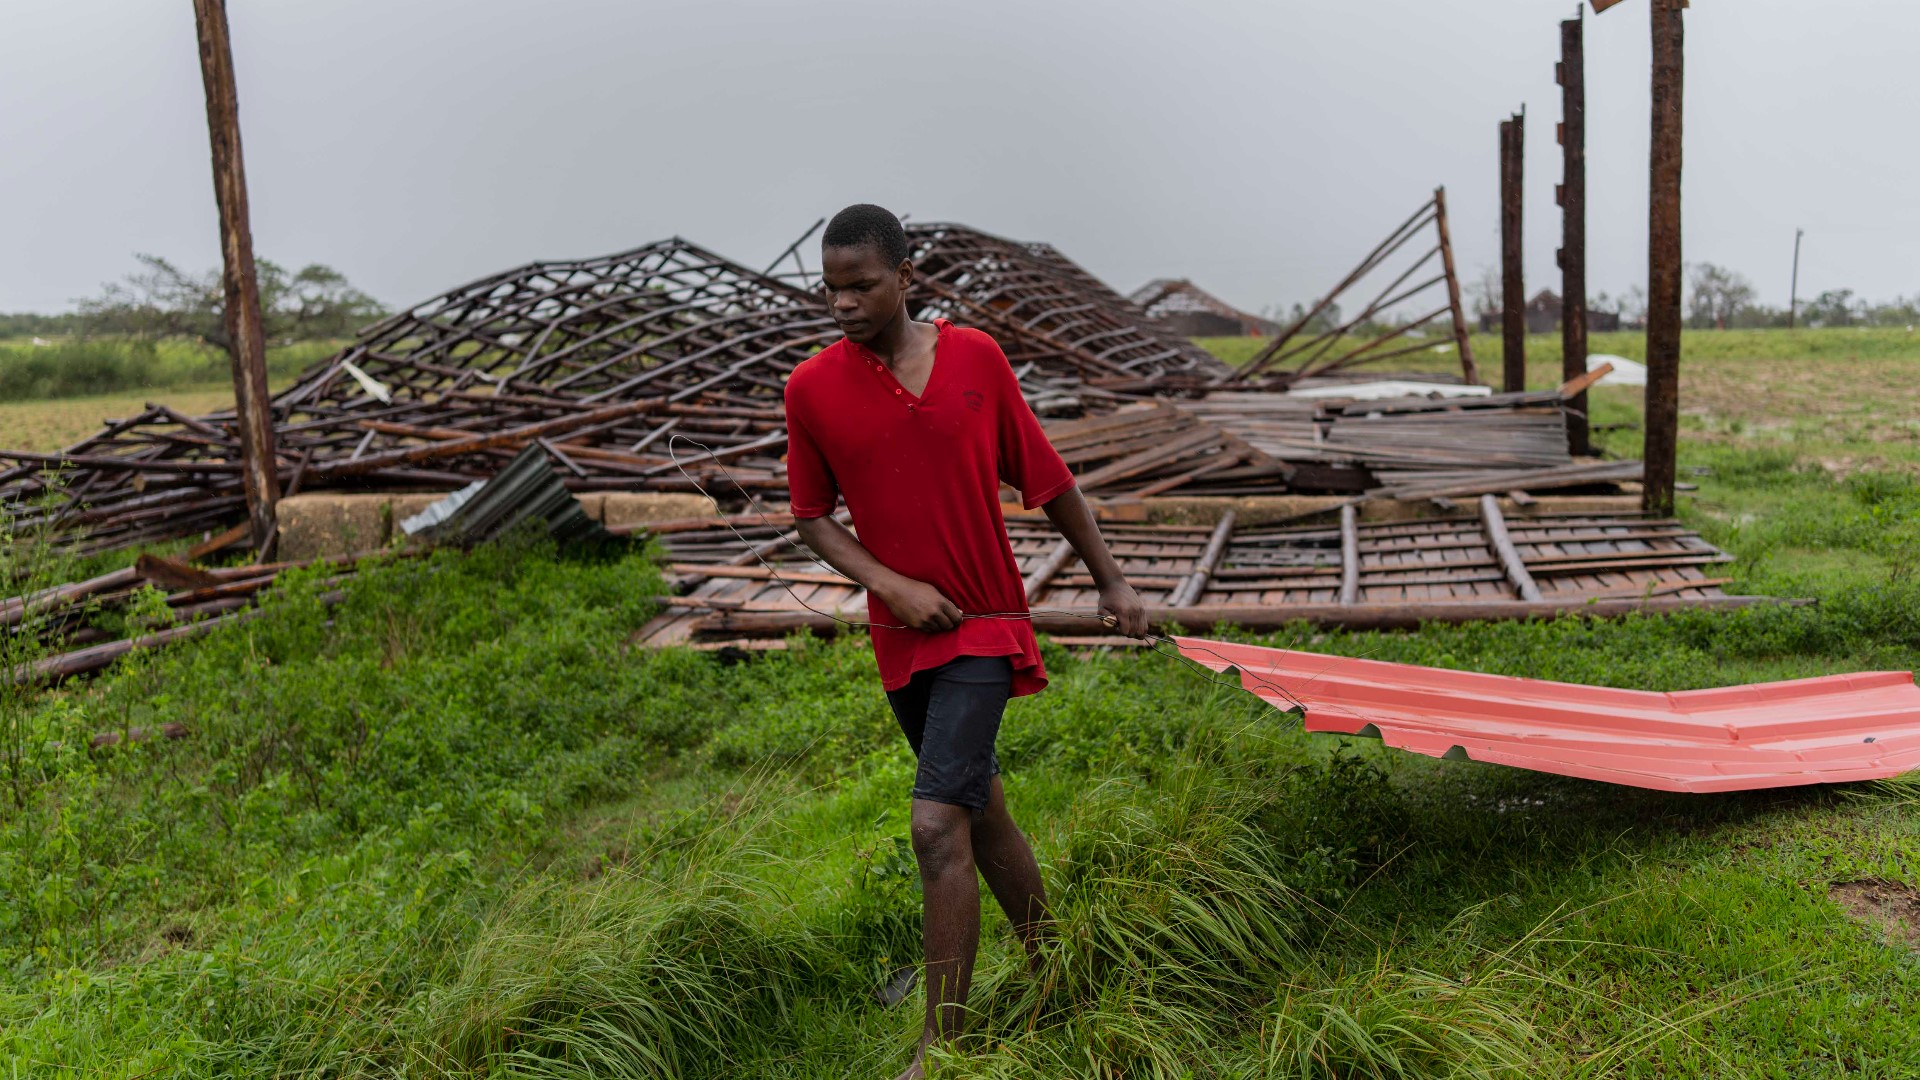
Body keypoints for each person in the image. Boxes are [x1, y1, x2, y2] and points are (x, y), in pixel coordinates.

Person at [786, 204, 1148, 1079]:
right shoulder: (811, 389)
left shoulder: (977, 360)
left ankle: (938, 1053)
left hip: (983, 629)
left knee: (935, 824)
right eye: (830, 290)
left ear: (907, 278)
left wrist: (1111, 579)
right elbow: (812, 520)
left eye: (862, 286)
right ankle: (1058, 968)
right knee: (982, 811)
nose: (844, 304)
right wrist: (894, 587)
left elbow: (1046, 476)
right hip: (903, 637)